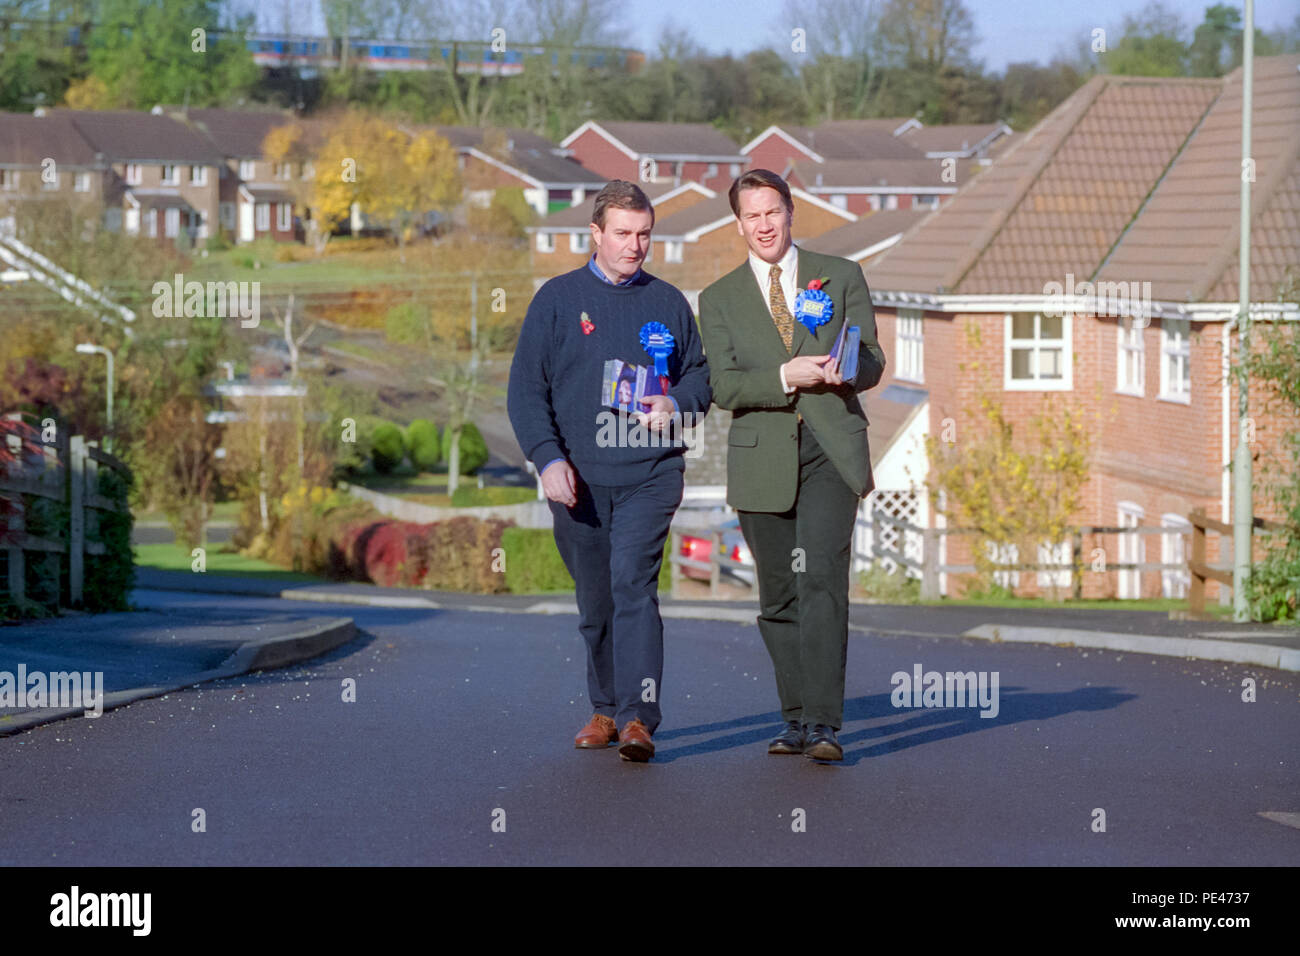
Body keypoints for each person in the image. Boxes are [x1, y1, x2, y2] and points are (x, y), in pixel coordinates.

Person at [508, 180, 711, 762]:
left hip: (651, 472)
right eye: (622, 233)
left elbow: (700, 377)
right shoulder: (555, 299)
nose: (635, 245)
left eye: (644, 233)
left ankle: (639, 717)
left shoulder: (669, 302)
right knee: (595, 600)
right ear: (595, 234)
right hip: (579, 482)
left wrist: (678, 404)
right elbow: (526, 392)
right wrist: (547, 459)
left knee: (632, 586)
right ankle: (604, 707)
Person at [697, 169, 886, 761]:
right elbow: (724, 388)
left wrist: (847, 370)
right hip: (761, 459)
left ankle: (826, 725)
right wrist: (785, 376)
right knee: (778, 594)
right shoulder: (719, 298)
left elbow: (874, 359)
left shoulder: (842, 274)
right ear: (738, 224)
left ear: (790, 212)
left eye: (772, 212)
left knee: (822, 580)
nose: (764, 225)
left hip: (830, 449)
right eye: (752, 216)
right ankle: (795, 719)